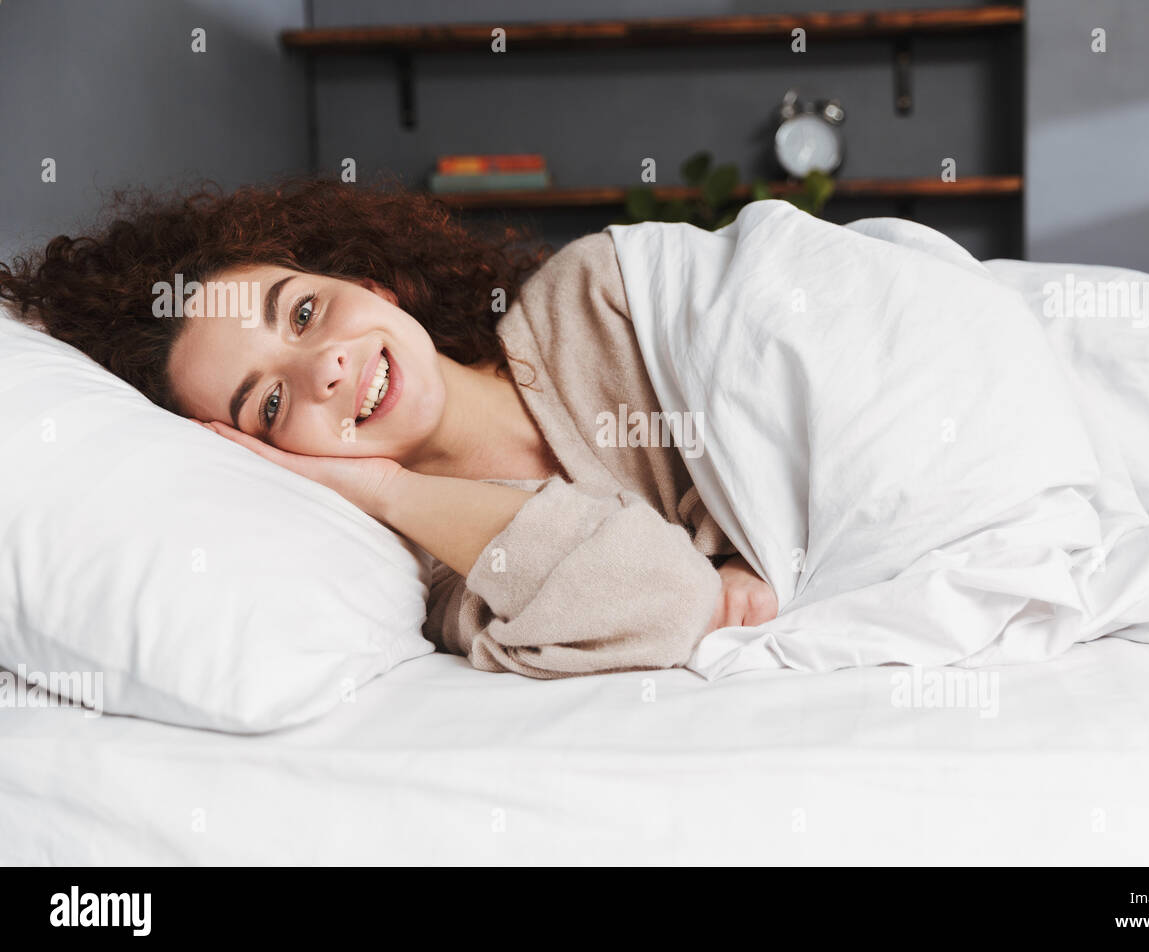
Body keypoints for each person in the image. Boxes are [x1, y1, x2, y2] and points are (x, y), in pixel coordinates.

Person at [0, 178, 779, 678]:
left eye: (303, 312)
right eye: (269, 405)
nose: (325, 368)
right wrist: (387, 489)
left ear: (370, 284)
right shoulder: (445, 574)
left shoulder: (596, 297)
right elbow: (675, 602)